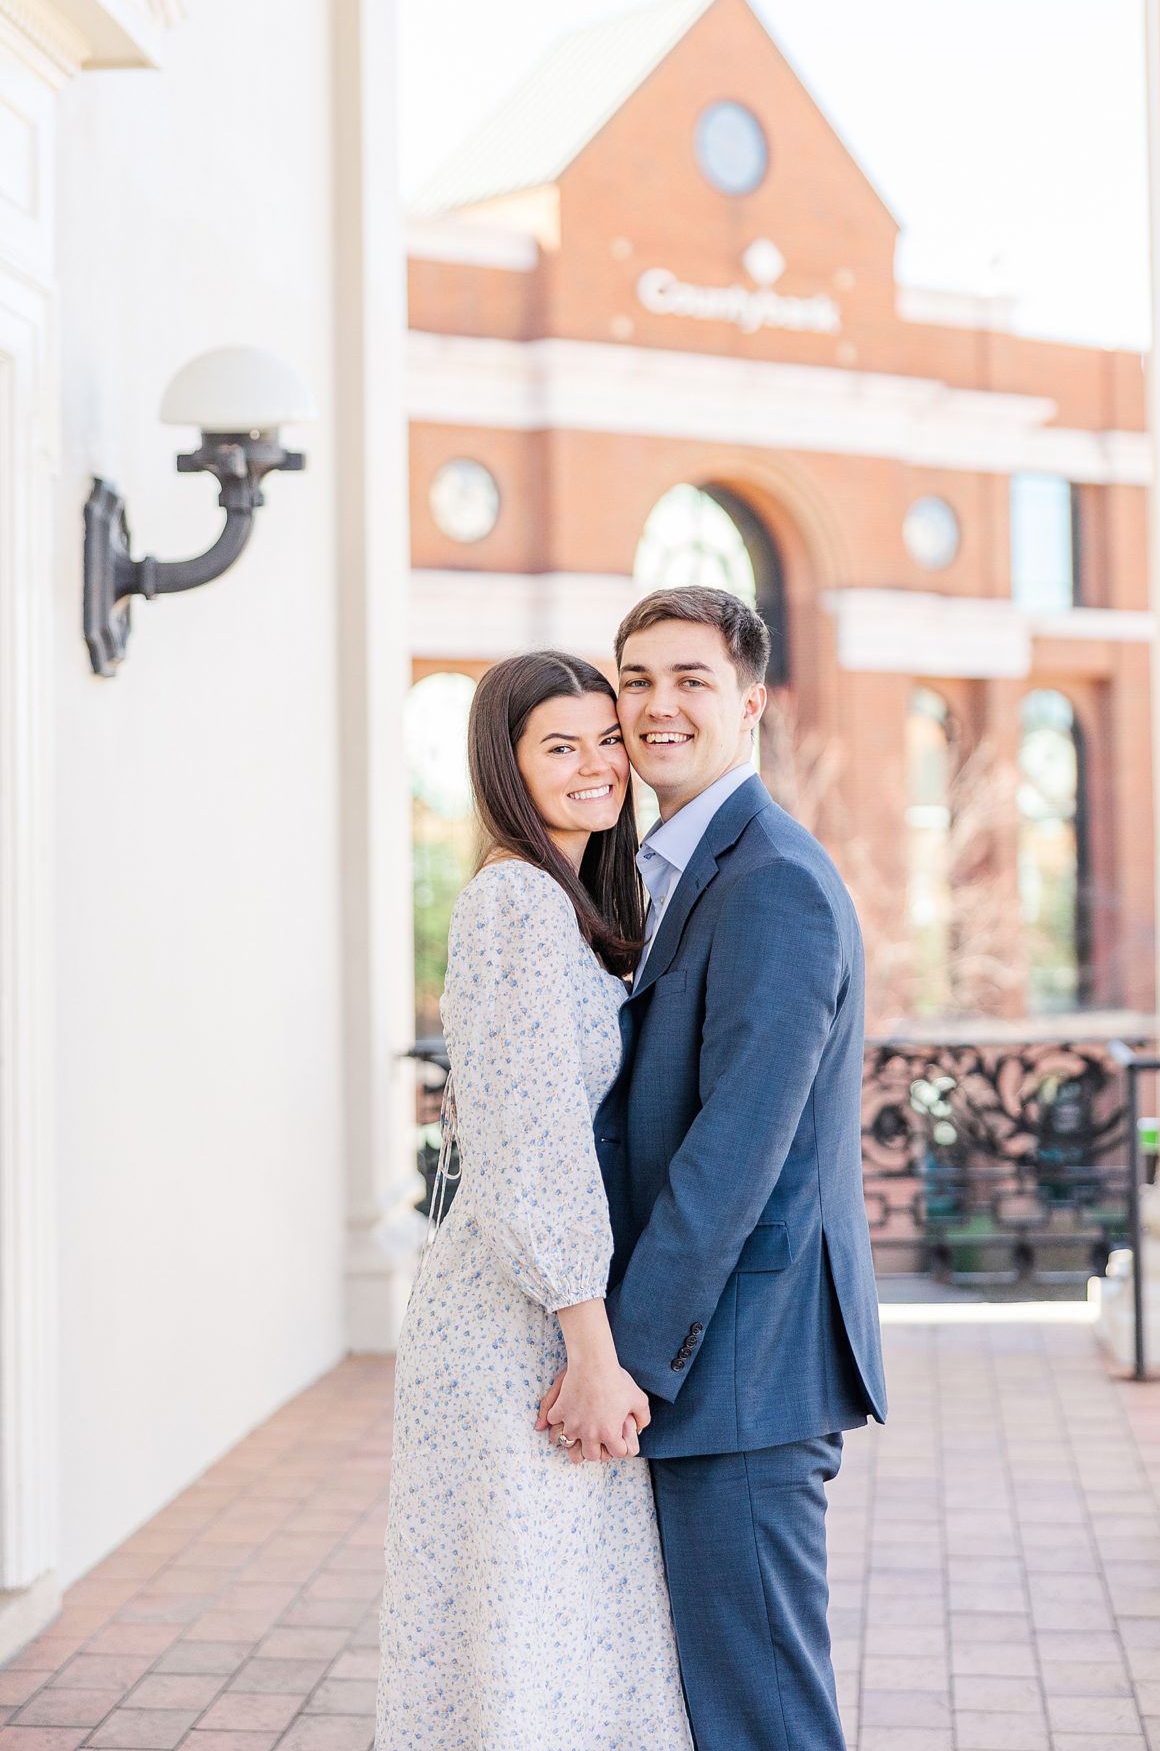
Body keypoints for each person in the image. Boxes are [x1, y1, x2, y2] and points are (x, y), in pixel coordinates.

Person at [539, 585, 887, 1751]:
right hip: (717, 1371)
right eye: (635, 679)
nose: (655, 704)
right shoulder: (673, 870)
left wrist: (619, 1362)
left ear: (751, 703)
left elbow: (733, 1157)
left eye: (690, 678)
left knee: (766, 1716)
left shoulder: (772, 881)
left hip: (740, 1370)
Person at [376, 650, 692, 1751]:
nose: (601, 765)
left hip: (544, 1305)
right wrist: (591, 1345)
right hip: (524, 1316)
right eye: (562, 745)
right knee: (523, 1623)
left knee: (550, 1618)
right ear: (505, 769)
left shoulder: (571, 902)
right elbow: (530, 1143)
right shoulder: (515, 900)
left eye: (609, 739)